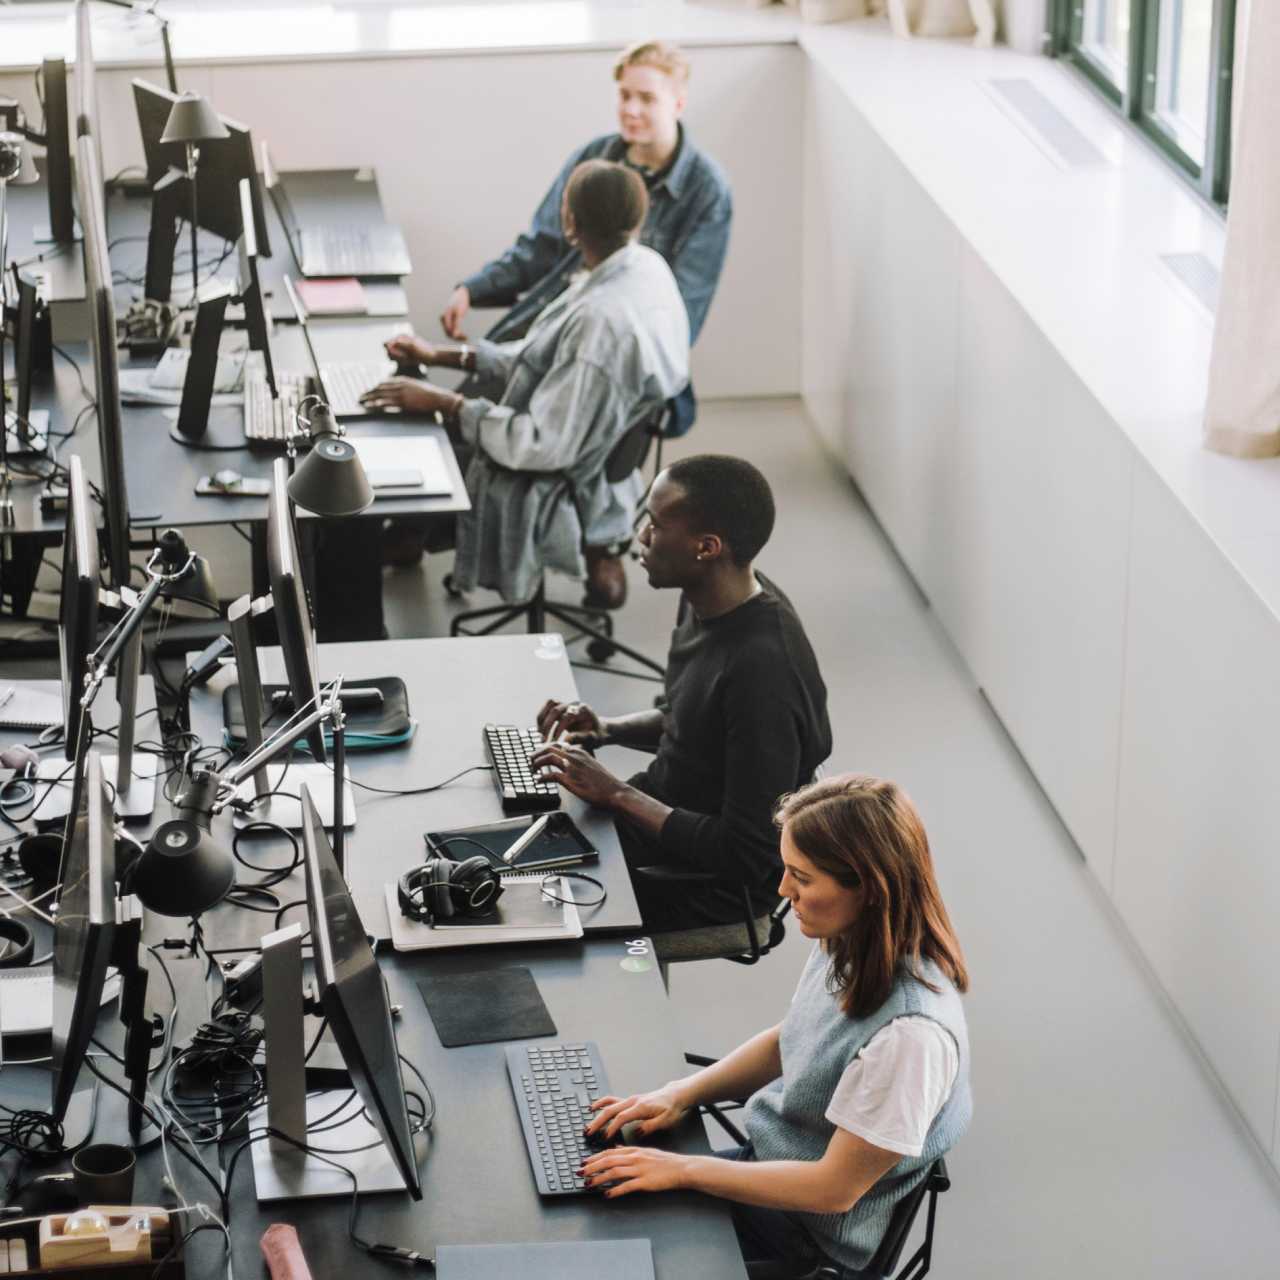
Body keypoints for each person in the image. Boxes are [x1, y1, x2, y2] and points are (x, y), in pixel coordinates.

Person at [579, 775, 973, 1279]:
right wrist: (680, 1093)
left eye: (801, 878)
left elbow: (833, 1190)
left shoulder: (911, 1039)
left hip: (802, 1242)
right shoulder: (853, 938)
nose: (784, 891)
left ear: (869, 888)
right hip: (761, 1171)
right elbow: (790, 1039)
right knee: (591, 1202)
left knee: (601, 1257)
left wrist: (682, 1170)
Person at [382, 39, 733, 594]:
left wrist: (451, 403)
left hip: (608, 363)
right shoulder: (615, 201)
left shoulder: (704, 195)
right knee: (470, 393)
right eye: (624, 96)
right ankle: (423, 525)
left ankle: (593, 540)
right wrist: (464, 308)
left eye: (646, 97)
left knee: (453, 419)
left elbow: (547, 437)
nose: (632, 110)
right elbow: (537, 251)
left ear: (679, 101)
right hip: (562, 336)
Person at [360, 160, 688, 605]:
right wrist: (440, 354)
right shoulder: (643, 267)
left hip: (558, 473)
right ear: (636, 219)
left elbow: (540, 444)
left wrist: (446, 404)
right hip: (607, 453)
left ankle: (379, 553)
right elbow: (540, 353)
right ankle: (407, 540)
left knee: (412, 445)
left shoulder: (599, 324)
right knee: (425, 417)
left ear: (570, 224)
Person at [531, 455, 831, 932]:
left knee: (521, 904)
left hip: (709, 883)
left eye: (654, 524)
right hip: (664, 820)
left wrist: (616, 793)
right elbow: (688, 717)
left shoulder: (763, 673)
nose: (641, 538)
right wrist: (606, 729)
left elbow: (745, 853)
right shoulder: (705, 598)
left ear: (706, 547)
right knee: (506, 846)